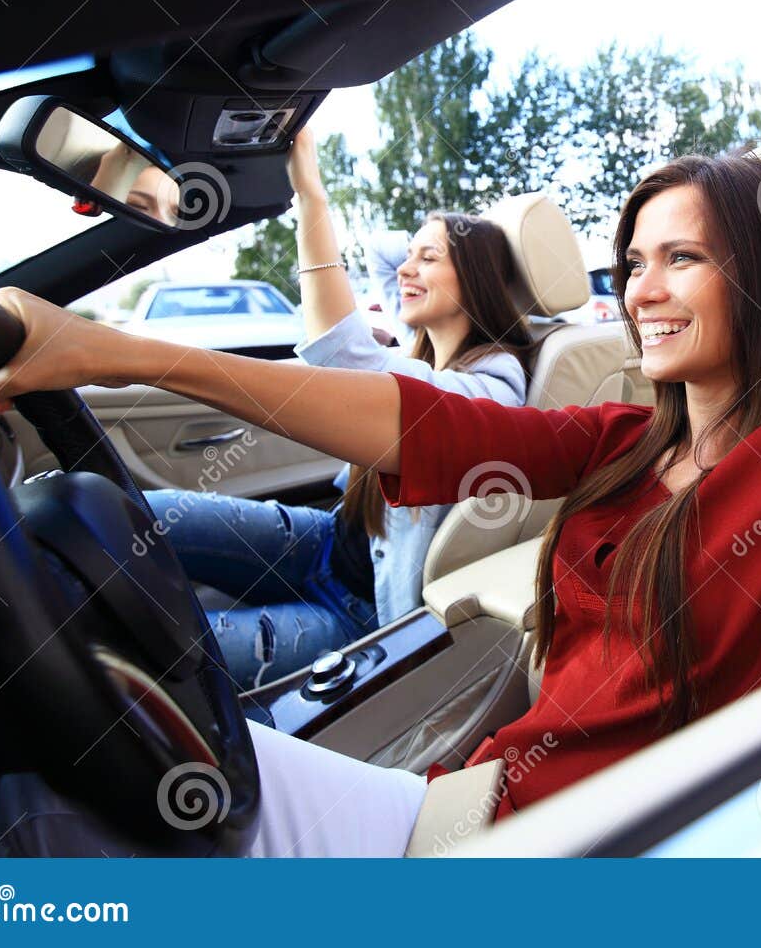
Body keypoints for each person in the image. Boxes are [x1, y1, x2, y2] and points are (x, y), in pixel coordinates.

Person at [0, 66, 761, 856]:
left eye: (685, 256)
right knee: (44, 770)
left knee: (32, 800)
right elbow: (413, 426)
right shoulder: (623, 445)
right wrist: (113, 351)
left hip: (555, 848)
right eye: (633, 261)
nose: (642, 289)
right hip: (472, 801)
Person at [144, 129, 534, 688]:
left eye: (428, 259)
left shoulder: (493, 389)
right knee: (141, 516)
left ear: (474, 284)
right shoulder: (419, 349)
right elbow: (380, 250)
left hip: (360, 611)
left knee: (156, 647)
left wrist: (310, 193)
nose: (404, 269)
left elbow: (336, 347)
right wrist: (442, 238)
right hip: (325, 540)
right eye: (412, 255)